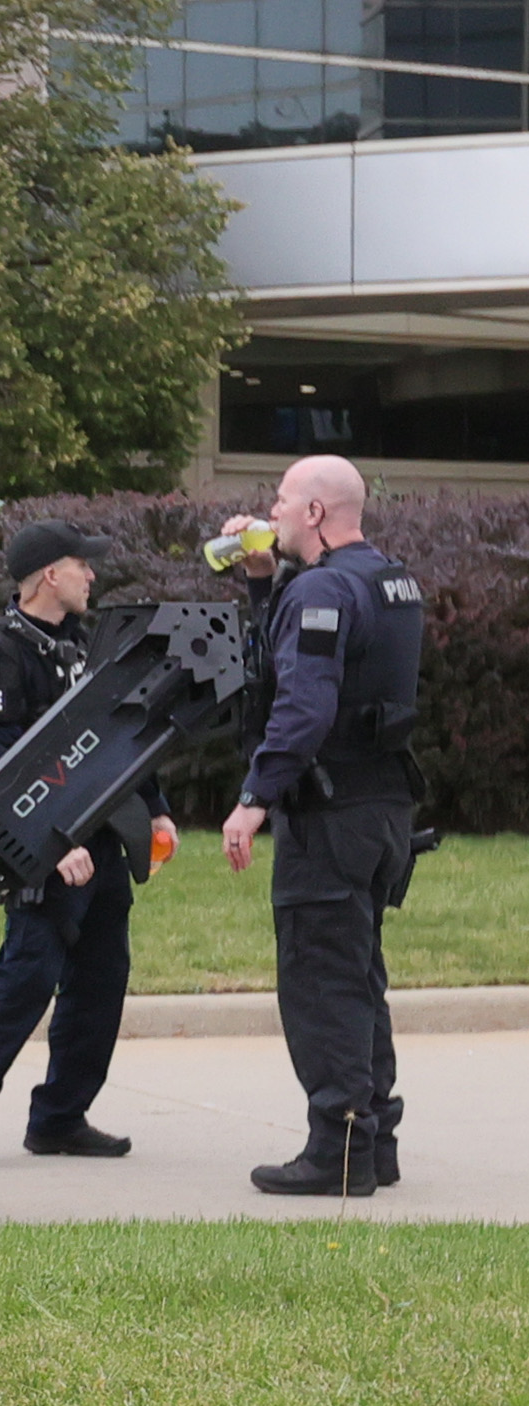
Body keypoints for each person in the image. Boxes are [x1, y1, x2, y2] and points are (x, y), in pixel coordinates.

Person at [0, 519, 174, 1170]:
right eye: (81, 564)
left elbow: (126, 731)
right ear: (47, 576)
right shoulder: (0, 650)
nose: (92, 575)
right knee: (25, 982)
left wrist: (157, 809)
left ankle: (61, 1118)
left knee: (100, 984)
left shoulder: (89, 642)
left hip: (103, 843)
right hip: (42, 850)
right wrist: (48, 839)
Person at [219, 455, 424, 1197]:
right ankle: (377, 1139)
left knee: (321, 982)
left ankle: (338, 1150)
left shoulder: (325, 589)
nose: (269, 510)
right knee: (359, 975)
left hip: (330, 816)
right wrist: (262, 581)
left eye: (280, 500)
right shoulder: (389, 579)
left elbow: (302, 705)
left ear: (312, 512)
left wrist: (255, 798)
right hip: (383, 811)